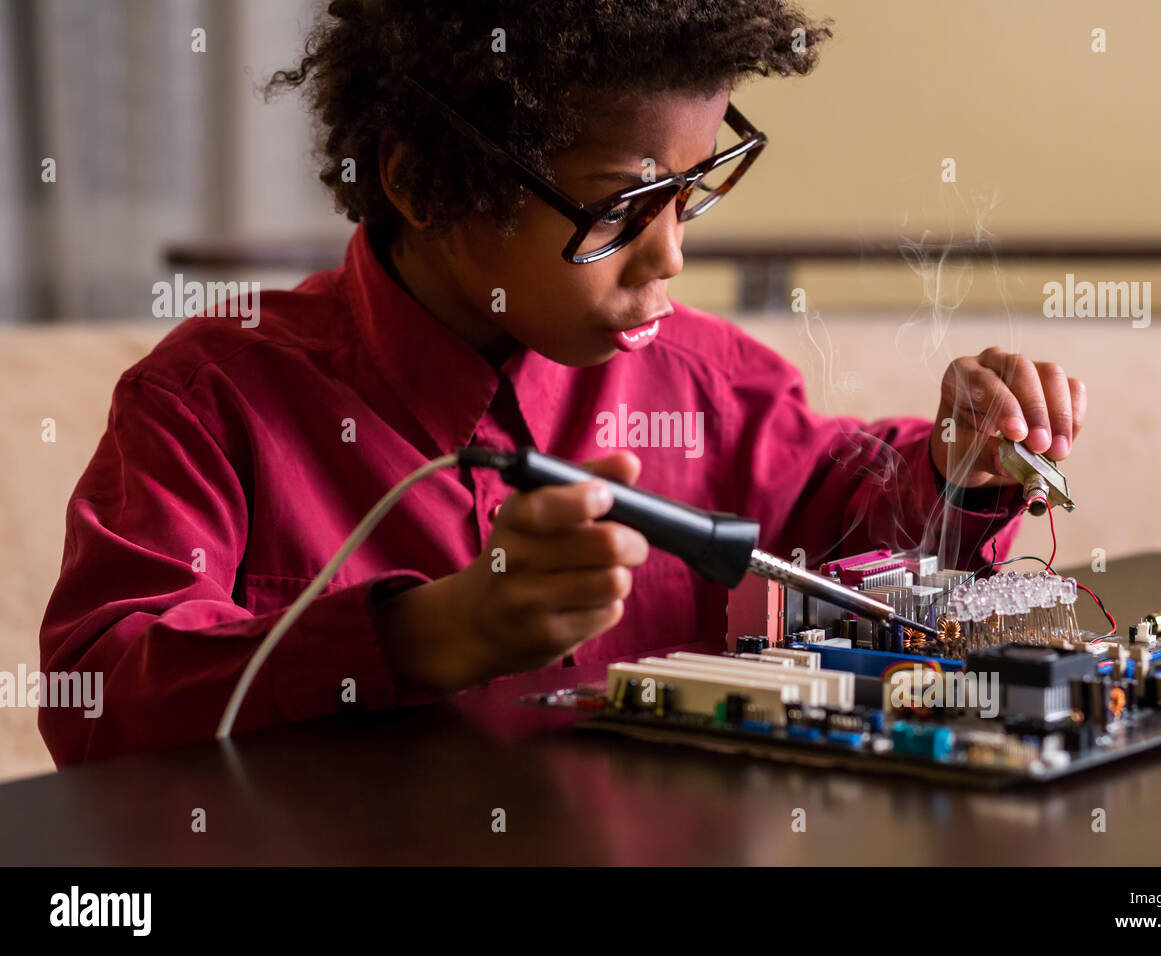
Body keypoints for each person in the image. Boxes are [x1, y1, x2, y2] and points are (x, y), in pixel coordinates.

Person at [39, 0, 1085, 765]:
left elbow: (854, 513)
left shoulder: (706, 384)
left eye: (690, 195)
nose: (670, 255)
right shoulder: (211, 400)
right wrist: (427, 634)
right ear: (420, 179)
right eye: (623, 206)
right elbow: (99, 693)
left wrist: (960, 466)